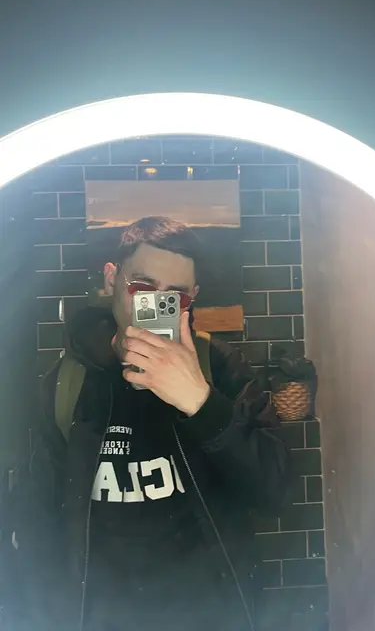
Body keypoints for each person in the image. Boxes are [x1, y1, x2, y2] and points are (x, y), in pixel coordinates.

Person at [22, 216, 289, 631]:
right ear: (111, 280)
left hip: (209, 615)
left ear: (191, 299)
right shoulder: (66, 383)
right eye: (142, 287)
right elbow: (38, 523)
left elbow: (275, 492)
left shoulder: (219, 368)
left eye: (175, 296)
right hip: (101, 617)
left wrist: (201, 402)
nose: (155, 305)